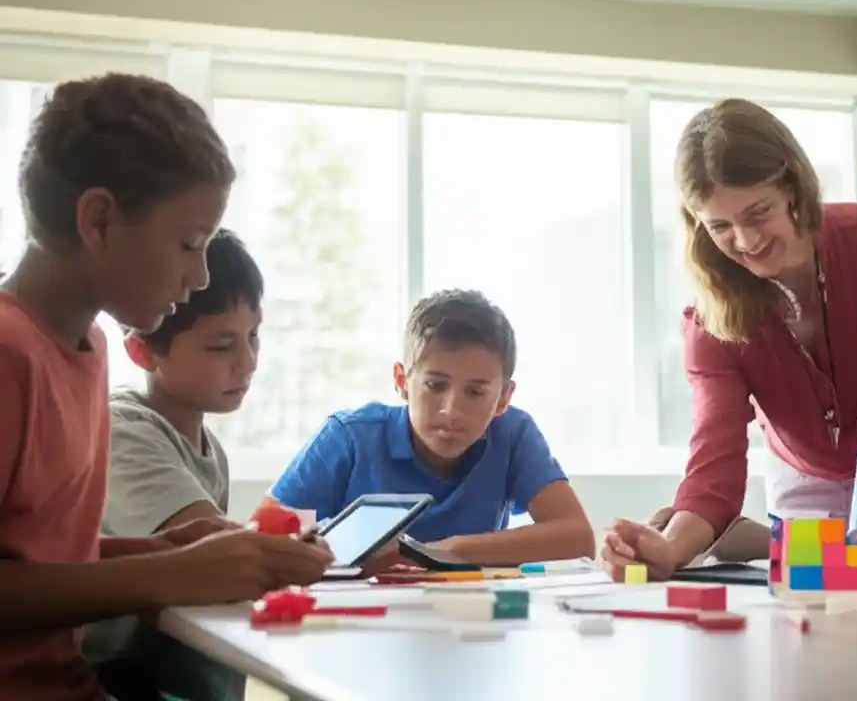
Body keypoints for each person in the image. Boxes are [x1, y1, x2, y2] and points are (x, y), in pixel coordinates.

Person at [0, 73, 331, 700]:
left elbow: (41, 560)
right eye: (188, 244)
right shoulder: (9, 350)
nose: (200, 274)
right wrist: (166, 573)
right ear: (99, 221)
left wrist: (158, 549)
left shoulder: (86, 346)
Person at [600, 98, 857, 581]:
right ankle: (748, 539)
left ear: (793, 187)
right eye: (720, 226)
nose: (745, 241)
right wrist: (670, 550)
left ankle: (754, 539)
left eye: (758, 212)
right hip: (805, 478)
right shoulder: (709, 320)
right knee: (815, 594)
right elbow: (715, 460)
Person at [260, 289, 595, 567]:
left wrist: (439, 552)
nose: (451, 410)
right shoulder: (349, 437)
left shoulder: (512, 433)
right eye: (435, 385)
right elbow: (262, 539)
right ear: (402, 381)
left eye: (475, 392)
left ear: (504, 398)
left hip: (465, 615)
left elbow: (578, 539)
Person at [103, 228, 262, 538]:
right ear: (142, 352)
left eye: (253, 335)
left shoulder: (209, 449)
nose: (249, 362)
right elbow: (223, 549)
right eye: (220, 347)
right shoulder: (122, 436)